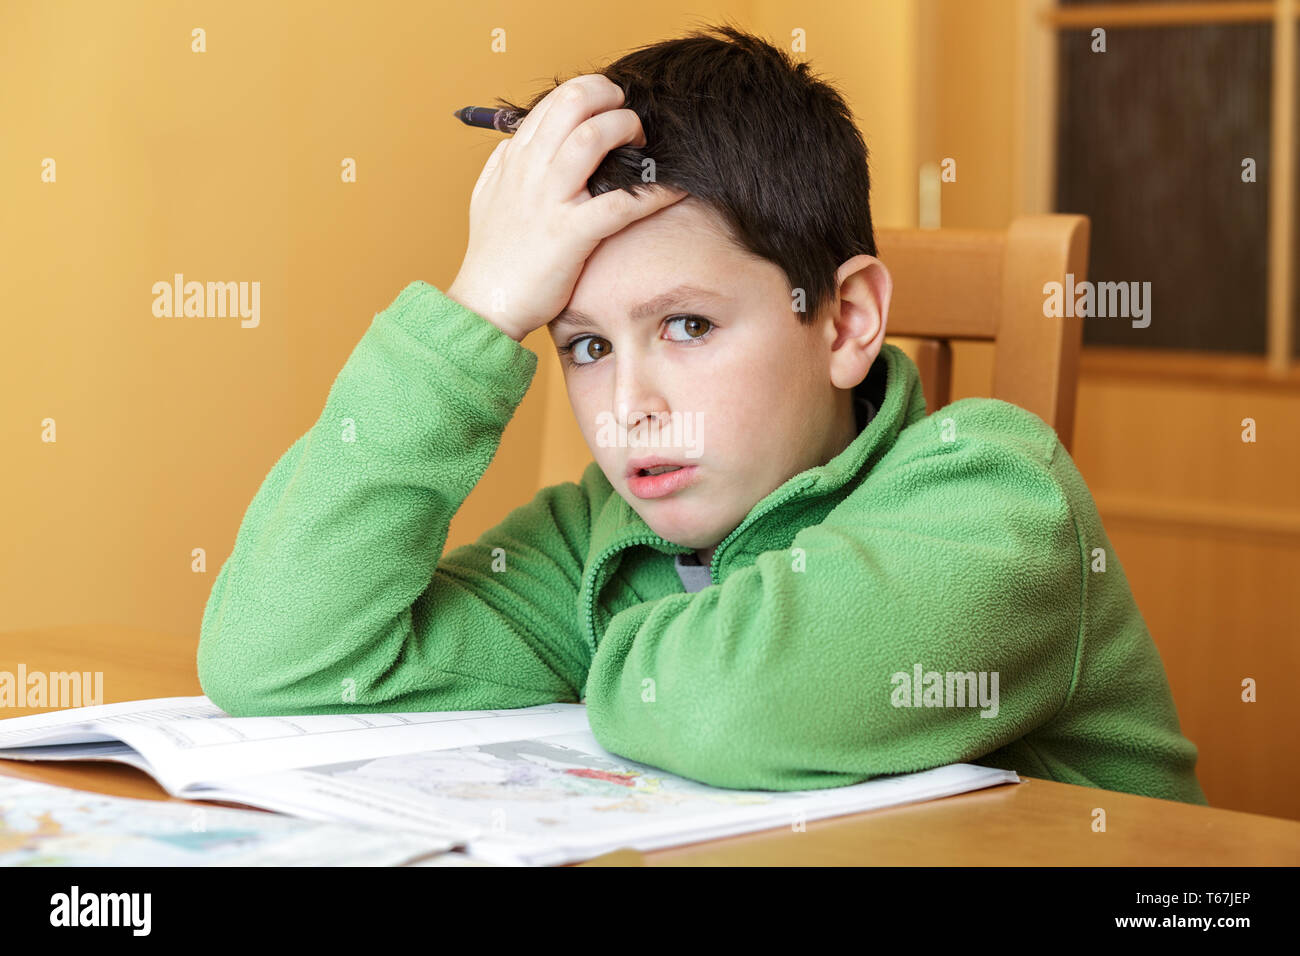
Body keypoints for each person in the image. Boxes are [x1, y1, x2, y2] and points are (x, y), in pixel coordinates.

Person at [198, 24, 1207, 804]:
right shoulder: (594, 542)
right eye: (585, 345)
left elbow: (731, 706)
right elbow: (278, 655)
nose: (629, 407)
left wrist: (595, 661)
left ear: (846, 319)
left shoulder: (994, 497)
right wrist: (478, 306)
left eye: (686, 325)